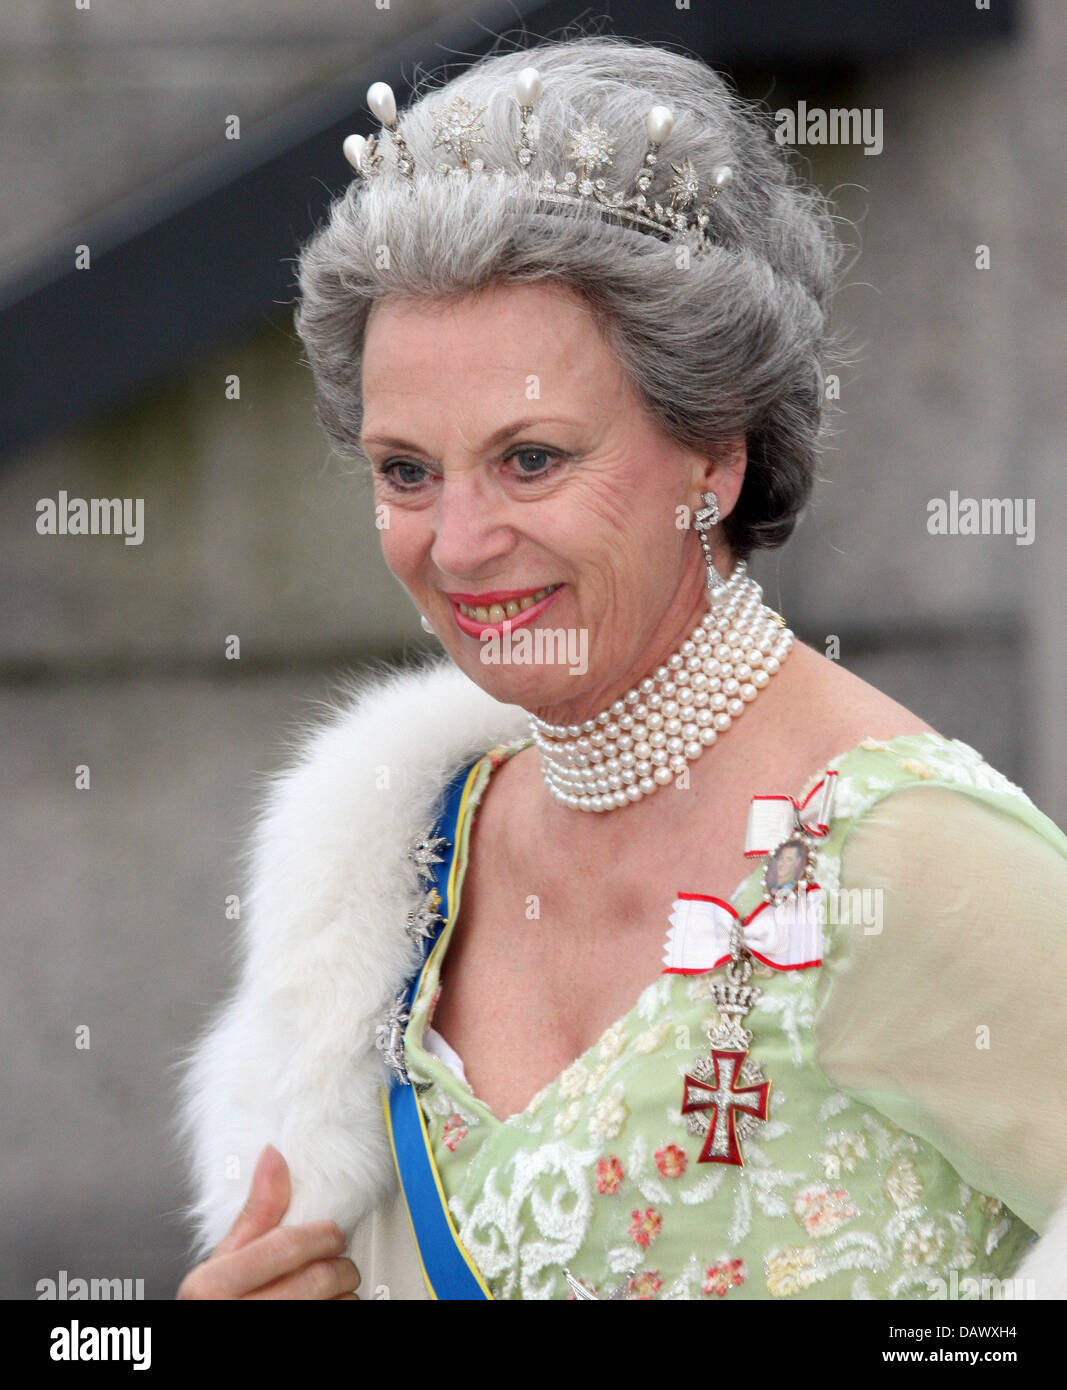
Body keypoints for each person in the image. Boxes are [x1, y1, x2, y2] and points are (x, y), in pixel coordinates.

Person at [175, 35, 1067, 1300]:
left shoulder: (901, 856)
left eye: (531, 457)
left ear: (715, 455)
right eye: (406, 471)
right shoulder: (401, 865)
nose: (461, 544)